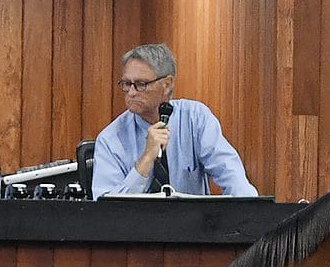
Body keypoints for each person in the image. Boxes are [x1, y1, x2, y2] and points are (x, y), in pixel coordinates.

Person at [91, 42, 258, 198]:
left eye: (141, 84)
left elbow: (230, 173)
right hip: (135, 221)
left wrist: (252, 212)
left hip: (192, 220)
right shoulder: (110, 139)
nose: (131, 93)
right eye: (127, 84)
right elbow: (106, 207)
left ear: (167, 84)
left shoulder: (195, 118)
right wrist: (146, 159)